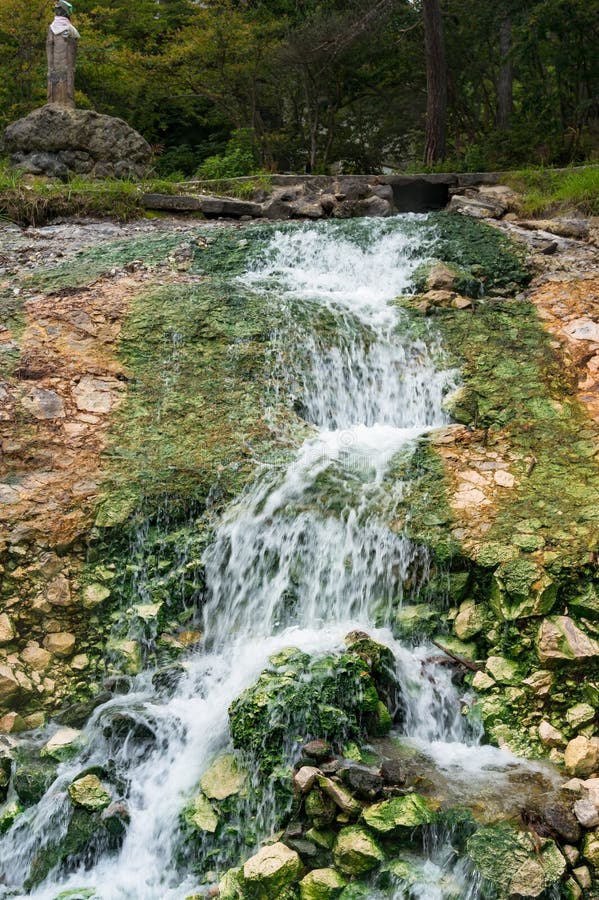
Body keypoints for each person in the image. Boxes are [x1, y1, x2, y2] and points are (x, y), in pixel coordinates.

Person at [47, 0, 80, 106]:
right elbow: (49, 46)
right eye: (56, 10)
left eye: (59, 9)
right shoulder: (51, 28)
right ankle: (53, 103)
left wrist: (70, 40)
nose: (57, 12)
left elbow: (74, 46)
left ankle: (67, 104)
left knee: (67, 82)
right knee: (54, 81)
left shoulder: (70, 29)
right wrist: (49, 64)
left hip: (67, 61)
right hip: (54, 62)